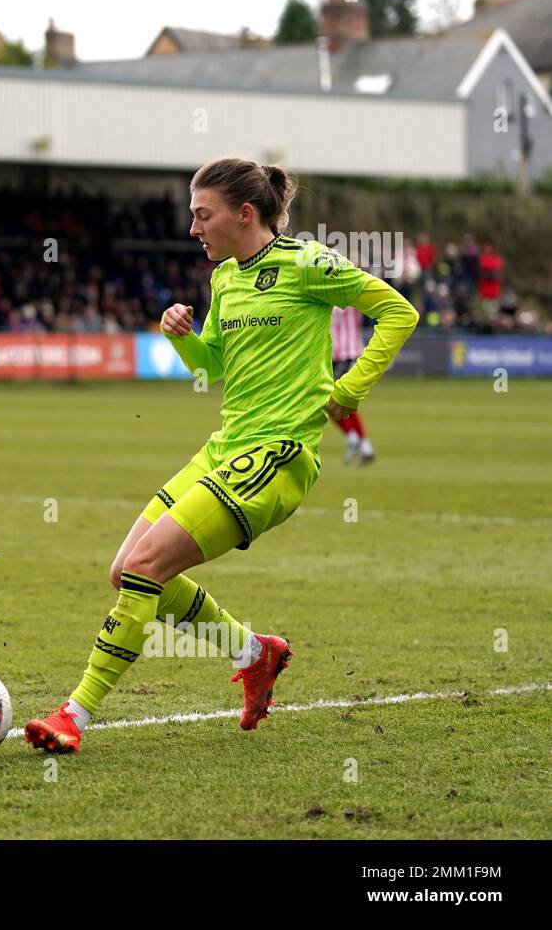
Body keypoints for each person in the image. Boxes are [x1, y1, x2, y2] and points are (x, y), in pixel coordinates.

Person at [24, 157, 419, 754]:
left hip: (277, 456)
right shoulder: (224, 279)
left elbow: (398, 311)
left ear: (245, 213)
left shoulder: (307, 263)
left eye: (202, 216)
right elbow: (214, 367)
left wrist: (348, 390)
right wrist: (184, 338)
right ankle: (253, 654)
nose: (193, 228)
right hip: (224, 448)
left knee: (144, 570)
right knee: (125, 570)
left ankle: (73, 714)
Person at [330, 304, 374, 465]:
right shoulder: (323, 291)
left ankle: (354, 437)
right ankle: (362, 443)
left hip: (348, 353)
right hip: (331, 355)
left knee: (334, 399)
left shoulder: (347, 290)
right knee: (334, 401)